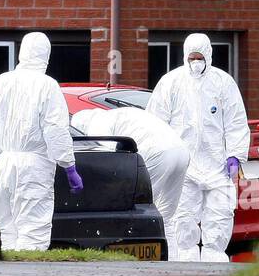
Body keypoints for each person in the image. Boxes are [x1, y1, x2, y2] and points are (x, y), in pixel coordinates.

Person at [146, 33, 250, 262]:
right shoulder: (171, 83)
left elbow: (236, 122)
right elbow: (155, 123)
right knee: (182, 216)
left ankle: (215, 258)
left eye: (200, 57)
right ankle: (185, 260)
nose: (196, 62)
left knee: (221, 213)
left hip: (217, 164)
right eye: (192, 57)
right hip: (184, 166)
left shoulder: (223, 83)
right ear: (185, 56)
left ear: (208, 55)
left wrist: (235, 155)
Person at [0, 32, 82, 250]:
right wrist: (69, 166)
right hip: (35, 166)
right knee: (33, 230)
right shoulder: (47, 85)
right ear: (47, 56)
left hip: (5, 164)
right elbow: (55, 130)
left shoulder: (2, 82)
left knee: (5, 227)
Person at [70, 107, 191, 262]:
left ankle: (135, 260)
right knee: (166, 217)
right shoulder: (117, 115)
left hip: (157, 154)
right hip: (181, 152)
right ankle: (173, 263)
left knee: (141, 211)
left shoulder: (96, 123)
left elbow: (106, 158)